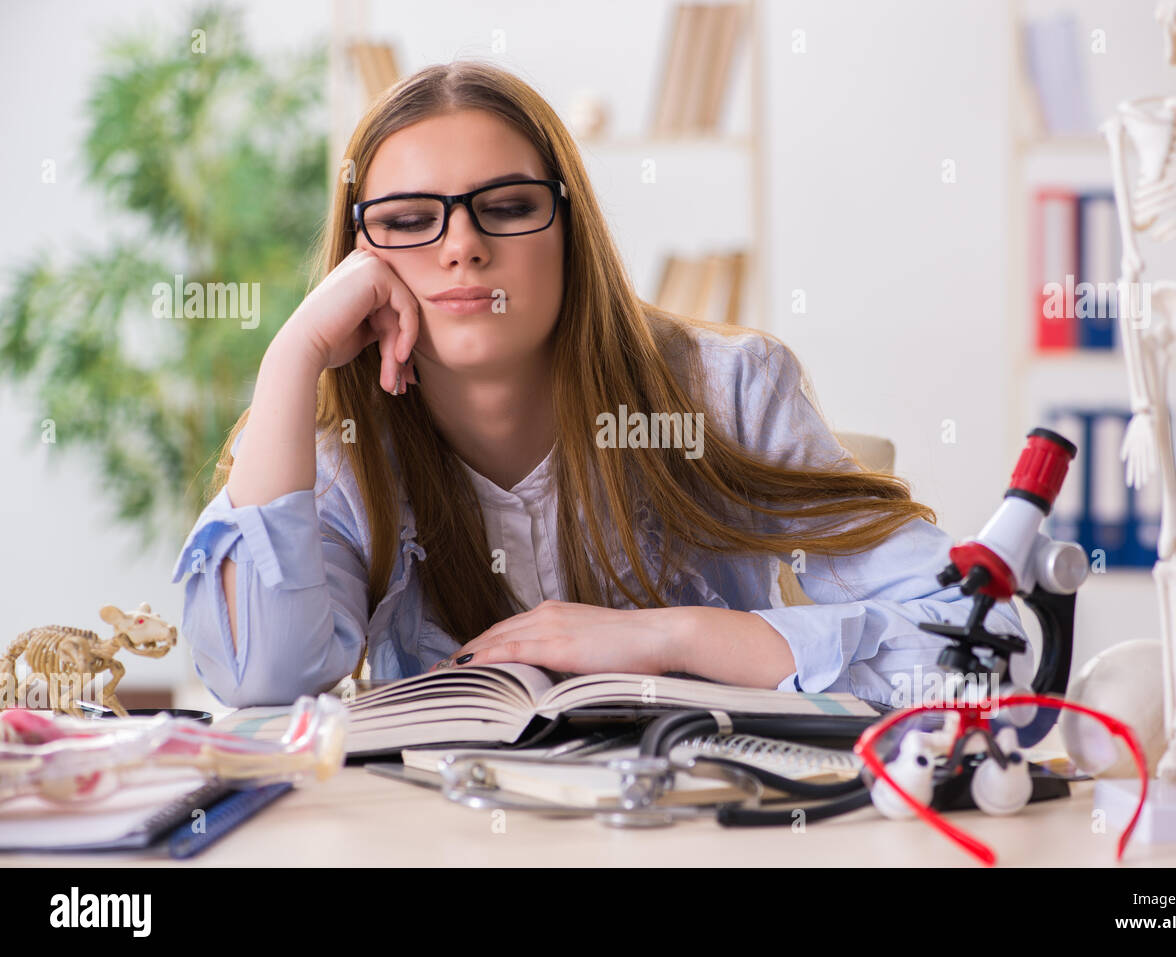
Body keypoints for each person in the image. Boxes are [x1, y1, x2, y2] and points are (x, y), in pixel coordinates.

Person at [172, 61, 1027, 709]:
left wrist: (668, 638)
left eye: (505, 206)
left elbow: (983, 658)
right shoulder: (335, 451)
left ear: (569, 232)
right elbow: (263, 680)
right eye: (408, 220)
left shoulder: (727, 396)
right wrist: (290, 357)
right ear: (361, 257)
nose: (461, 246)